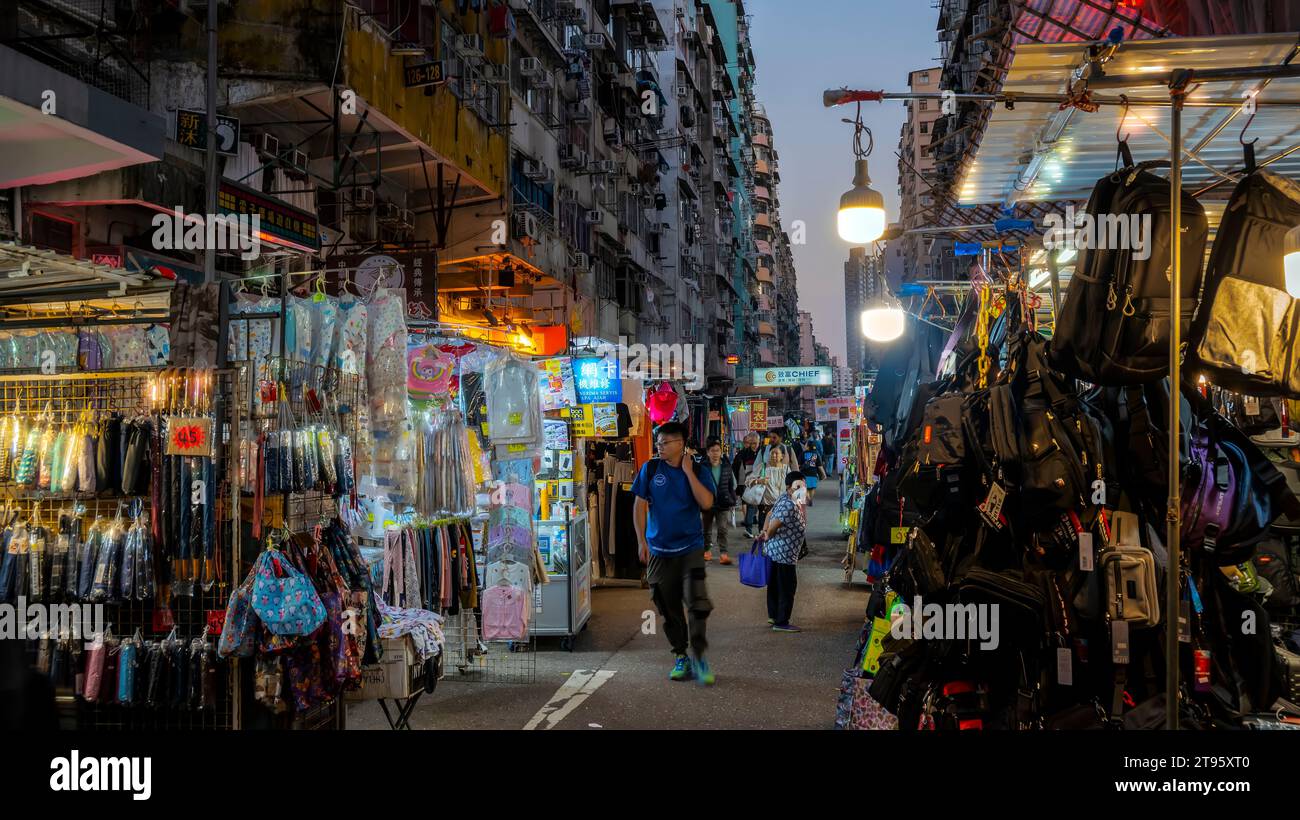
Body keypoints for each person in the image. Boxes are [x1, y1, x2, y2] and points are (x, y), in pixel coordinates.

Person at [633, 421, 718, 685]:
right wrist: (641, 541)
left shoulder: (699, 470)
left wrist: (689, 472)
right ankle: (681, 655)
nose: (660, 447)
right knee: (667, 606)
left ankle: (700, 656)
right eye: (658, 443)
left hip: (690, 548)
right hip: (659, 550)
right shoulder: (651, 469)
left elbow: (706, 503)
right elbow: (638, 505)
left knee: (697, 604)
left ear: (681, 444)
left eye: (665, 443)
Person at [756, 472, 808, 632]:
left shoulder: (786, 498)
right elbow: (774, 524)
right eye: (798, 486)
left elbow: (770, 514)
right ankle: (781, 622)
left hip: (775, 552)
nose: (802, 489)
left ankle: (774, 616)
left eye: (803, 485)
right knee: (787, 587)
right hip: (784, 554)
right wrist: (768, 532)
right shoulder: (789, 504)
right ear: (789, 487)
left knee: (775, 585)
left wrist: (764, 531)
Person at [703, 437, 736, 564]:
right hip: (707, 502)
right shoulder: (703, 467)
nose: (715, 453)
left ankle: (723, 553)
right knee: (706, 529)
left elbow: (731, 485)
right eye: (713, 451)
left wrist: (733, 500)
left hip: (723, 502)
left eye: (717, 450)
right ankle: (706, 550)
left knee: (723, 529)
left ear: (721, 452)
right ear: (708, 452)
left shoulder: (727, 466)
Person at [747, 445, 790, 532]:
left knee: (779, 534)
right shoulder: (763, 467)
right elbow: (748, 481)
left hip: (781, 508)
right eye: (772, 453)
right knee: (764, 533)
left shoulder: (786, 469)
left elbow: (791, 486)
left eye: (776, 453)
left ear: (782, 456)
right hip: (765, 508)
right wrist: (758, 481)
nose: (774, 455)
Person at [732, 433, 762, 537]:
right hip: (748, 483)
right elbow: (735, 468)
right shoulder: (743, 453)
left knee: (761, 507)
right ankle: (749, 529)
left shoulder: (763, 452)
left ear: (759, 442)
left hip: (761, 483)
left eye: (755, 443)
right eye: (751, 443)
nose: (753, 445)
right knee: (750, 505)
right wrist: (738, 485)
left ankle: (761, 530)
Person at [799, 436, 823, 506]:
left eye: (806, 444)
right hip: (813, 473)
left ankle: (808, 497)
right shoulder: (816, 454)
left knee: (805, 488)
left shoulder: (803, 453)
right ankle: (810, 499)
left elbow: (799, 464)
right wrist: (823, 474)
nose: (805, 445)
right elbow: (819, 466)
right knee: (812, 488)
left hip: (804, 473)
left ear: (808, 446)